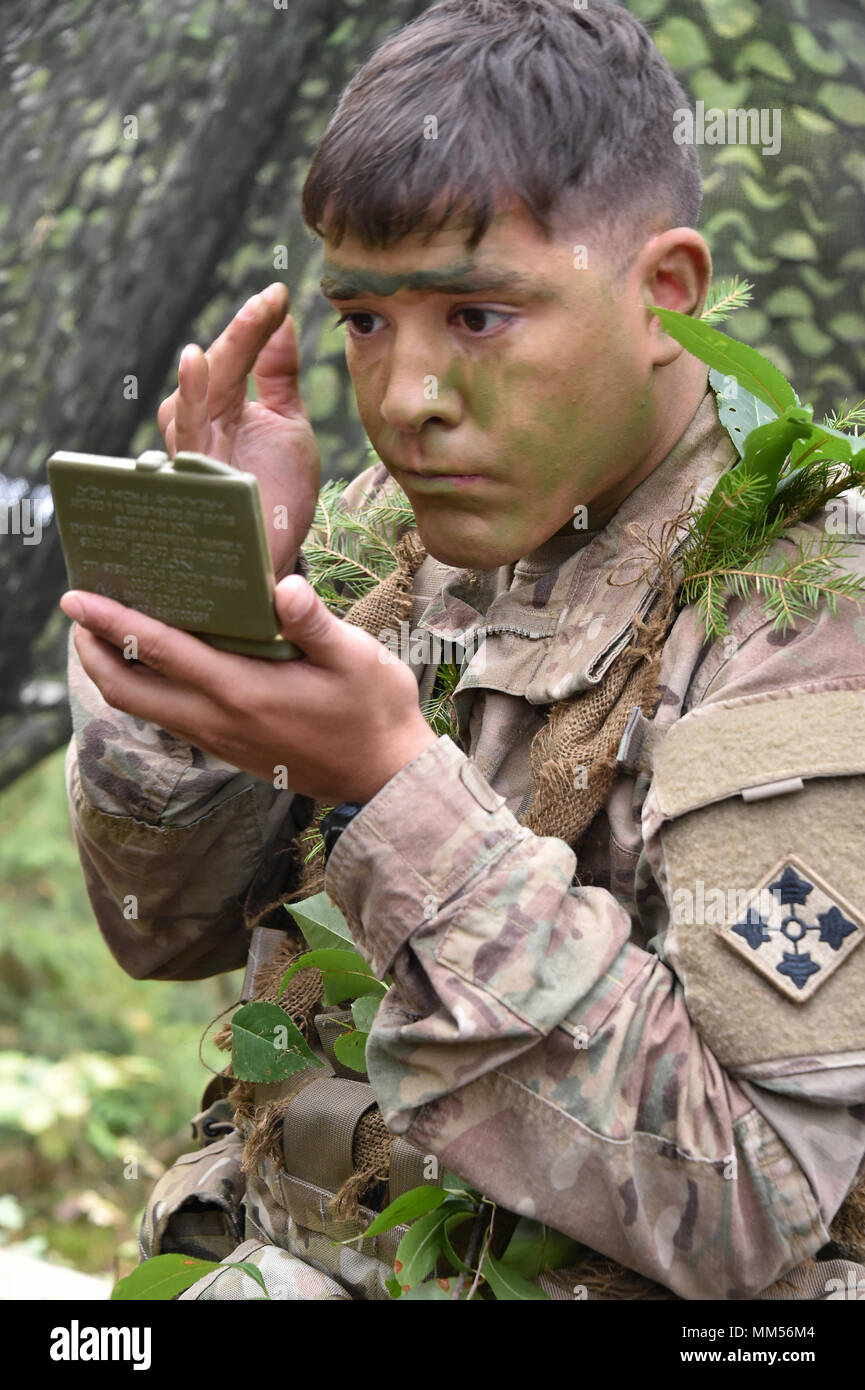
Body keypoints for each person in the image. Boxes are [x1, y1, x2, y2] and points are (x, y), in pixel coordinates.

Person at [61, 0, 865, 1300]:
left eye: (477, 317)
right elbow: (165, 927)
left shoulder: (806, 606)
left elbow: (749, 1197)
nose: (401, 397)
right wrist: (211, 611)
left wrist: (391, 792)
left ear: (663, 294)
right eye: (366, 320)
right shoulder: (385, 545)